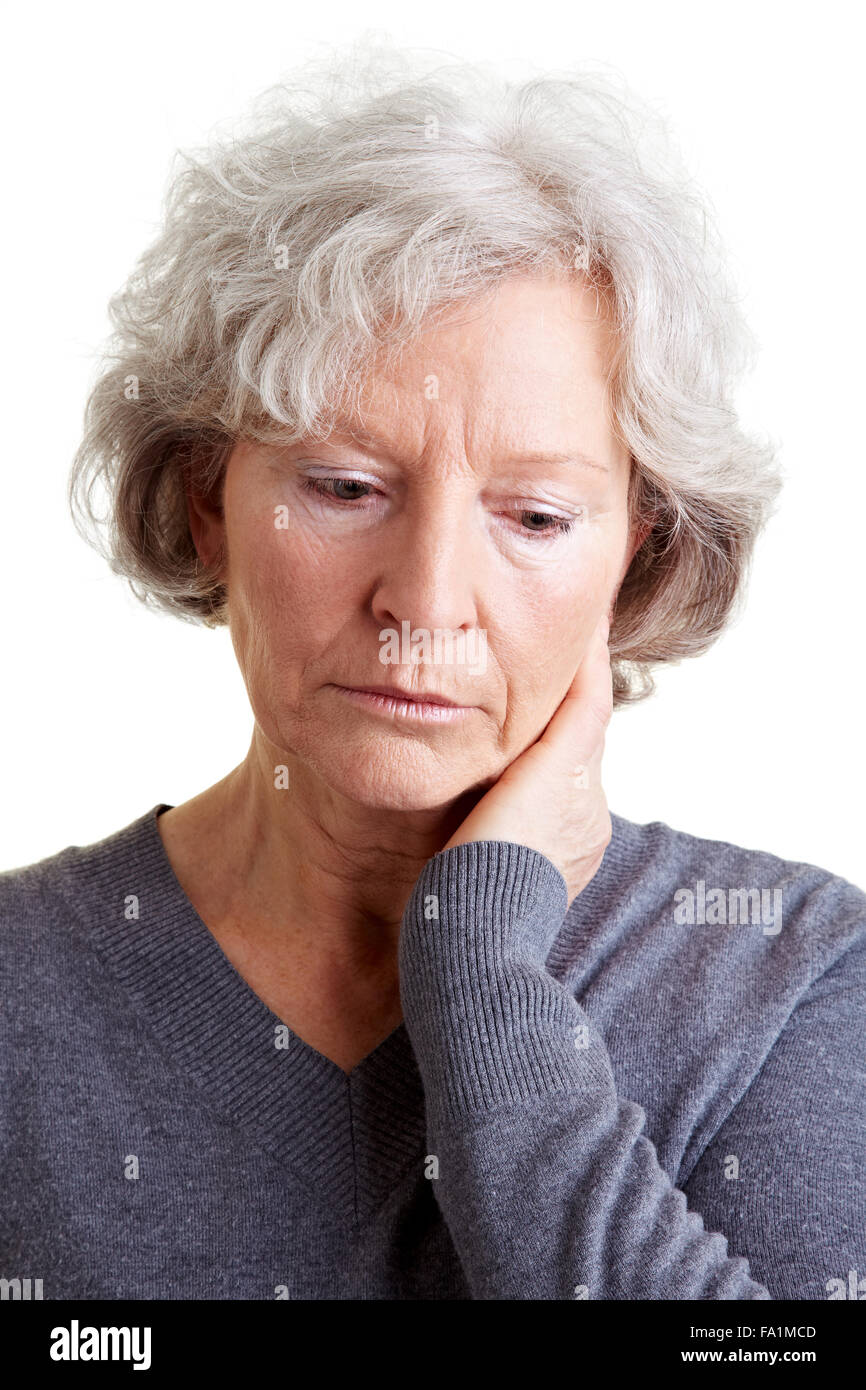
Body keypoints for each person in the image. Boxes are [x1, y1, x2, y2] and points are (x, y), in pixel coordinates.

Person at [1, 40, 863, 1301]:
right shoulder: (25, 984)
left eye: (532, 517)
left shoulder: (788, 978)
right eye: (344, 487)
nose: (424, 601)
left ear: (638, 557)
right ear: (206, 505)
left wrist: (475, 966)